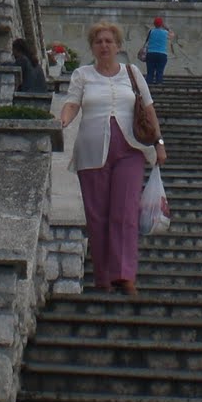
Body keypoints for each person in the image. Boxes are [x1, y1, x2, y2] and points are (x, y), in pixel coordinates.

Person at [58, 22, 166, 296]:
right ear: (92, 47)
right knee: (97, 216)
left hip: (130, 148)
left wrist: (159, 143)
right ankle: (103, 278)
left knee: (126, 210)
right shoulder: (82, 75)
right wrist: (62, 121)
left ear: (118, 46)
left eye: (109, 41)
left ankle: (124, 274)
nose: (104, 46)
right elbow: (72, 103)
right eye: (98, 42)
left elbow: (149, 109)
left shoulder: (132, 73)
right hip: (92, 150)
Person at [142, 16, 171, 85]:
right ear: (162, 24)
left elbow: (147, 41)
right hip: (162, 55)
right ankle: (159, 87)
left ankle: (149, 89)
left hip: (151, 54)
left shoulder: (151, 31)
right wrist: (167, 28)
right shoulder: (165, 33)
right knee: (159, 72)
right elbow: (172, 35)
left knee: (150, 73)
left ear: (154, 24)